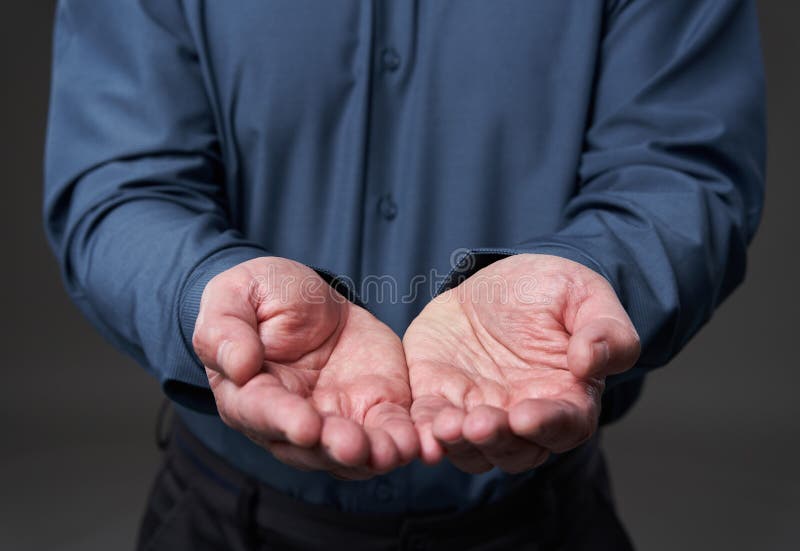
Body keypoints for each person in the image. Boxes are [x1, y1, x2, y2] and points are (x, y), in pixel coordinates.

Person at [43, 1, 765, 549]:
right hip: (224, 519)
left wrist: (590, 274)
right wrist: (209, 290)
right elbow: (119, 183)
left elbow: (682, 168)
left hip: (542, 522)